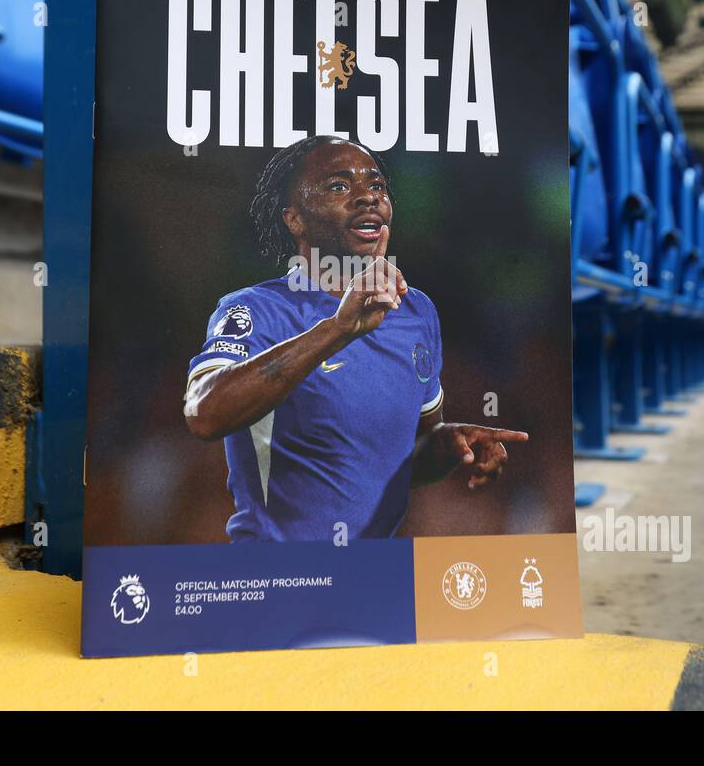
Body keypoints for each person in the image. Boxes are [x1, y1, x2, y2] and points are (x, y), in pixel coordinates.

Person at [184, 135, 528, 542]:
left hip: (373, 579)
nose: (367, 197)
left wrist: (449, 446)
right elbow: (204, 413)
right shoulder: (256, 309)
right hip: (280, 578)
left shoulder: (415, 312)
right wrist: (336, 330)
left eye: (377, 186)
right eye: (339, 186)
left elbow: (407, 462)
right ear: (295, 220)